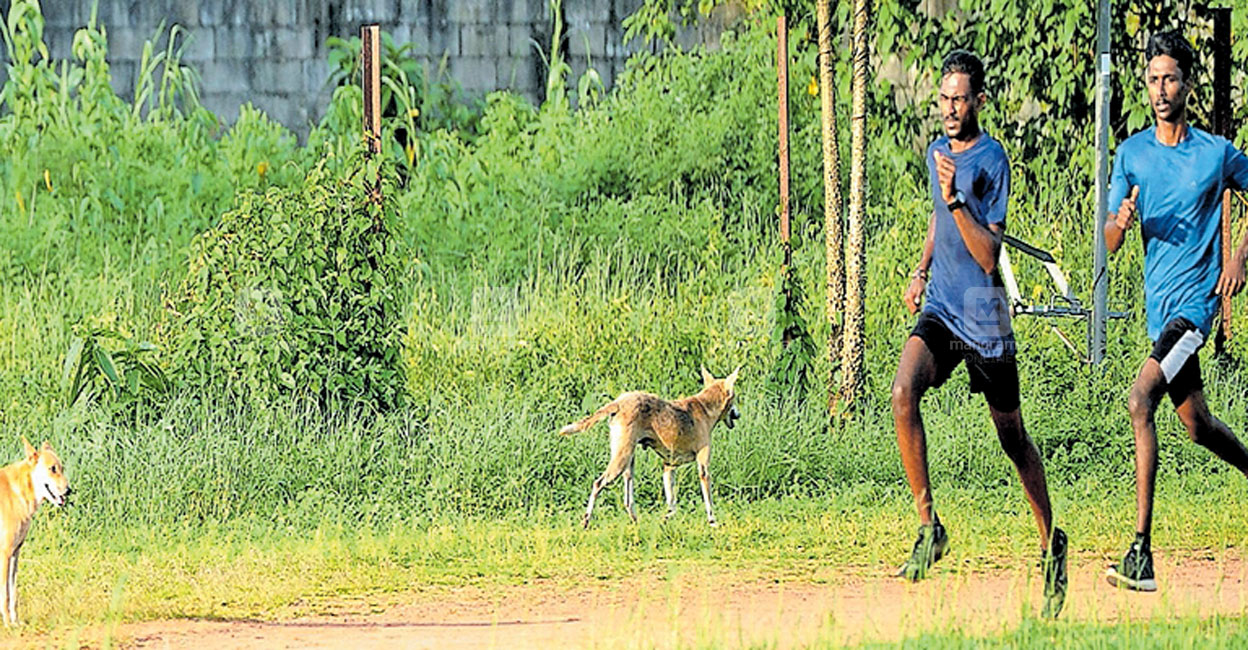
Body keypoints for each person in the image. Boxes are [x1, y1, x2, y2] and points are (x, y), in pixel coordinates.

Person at [891, 50, 1067, 618]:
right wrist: (920, 270)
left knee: (1013, 440)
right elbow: (936, 221)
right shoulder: (936, 153)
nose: (949, 108)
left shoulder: (992, 160)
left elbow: (988, 254)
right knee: (903, 393)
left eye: (960, 98)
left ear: (979, 101)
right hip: (942, 306)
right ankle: (929, 527)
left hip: (984, 318)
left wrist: (958, 199)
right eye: (943, 98)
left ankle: (1050, 541)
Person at [1104, 30, 1248, 593]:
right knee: (1199, 426)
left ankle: (1141, 553)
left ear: (1188, 84)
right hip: (1157, 312)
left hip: (1193, 311)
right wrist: (1122, 221)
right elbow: (1111, 240)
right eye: (1153, 80)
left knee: (1140, 399)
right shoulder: (1132, 154)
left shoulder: (1215, 154)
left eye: (1170, 79)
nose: (1160, 89)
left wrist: (1239, 257)